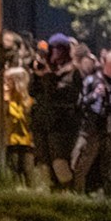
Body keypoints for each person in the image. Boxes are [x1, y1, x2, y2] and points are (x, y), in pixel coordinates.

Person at [72, 48, 111, 197]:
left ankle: (110, 203)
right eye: (110, 64)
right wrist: (94, 96)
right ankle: (77, 197)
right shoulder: (91, 80)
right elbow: (79, 105)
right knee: (82, 166)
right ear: (103, 63)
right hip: (91, 130)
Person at [28, 34, 81, 188]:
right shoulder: (47, 69)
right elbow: (32, 92)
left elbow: (64, 95)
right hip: (42, 121)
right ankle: (50, 193)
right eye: (53, 49)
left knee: (59, 161)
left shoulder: (72, 72)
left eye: (59, 49)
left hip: (61, 124)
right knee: (43, 161)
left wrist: (48, 77)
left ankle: (68, 192)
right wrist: (37, 76)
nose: (55, 53)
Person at [3, 66, 41, 189]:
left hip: (27, 140)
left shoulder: (28, 101)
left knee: (27, 169)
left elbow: (21, 118)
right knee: (14, 168)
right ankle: (16, 192)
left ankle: (31, 194)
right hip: (12, 140)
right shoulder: (6, 99)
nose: (6, 84)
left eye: (8, 80)